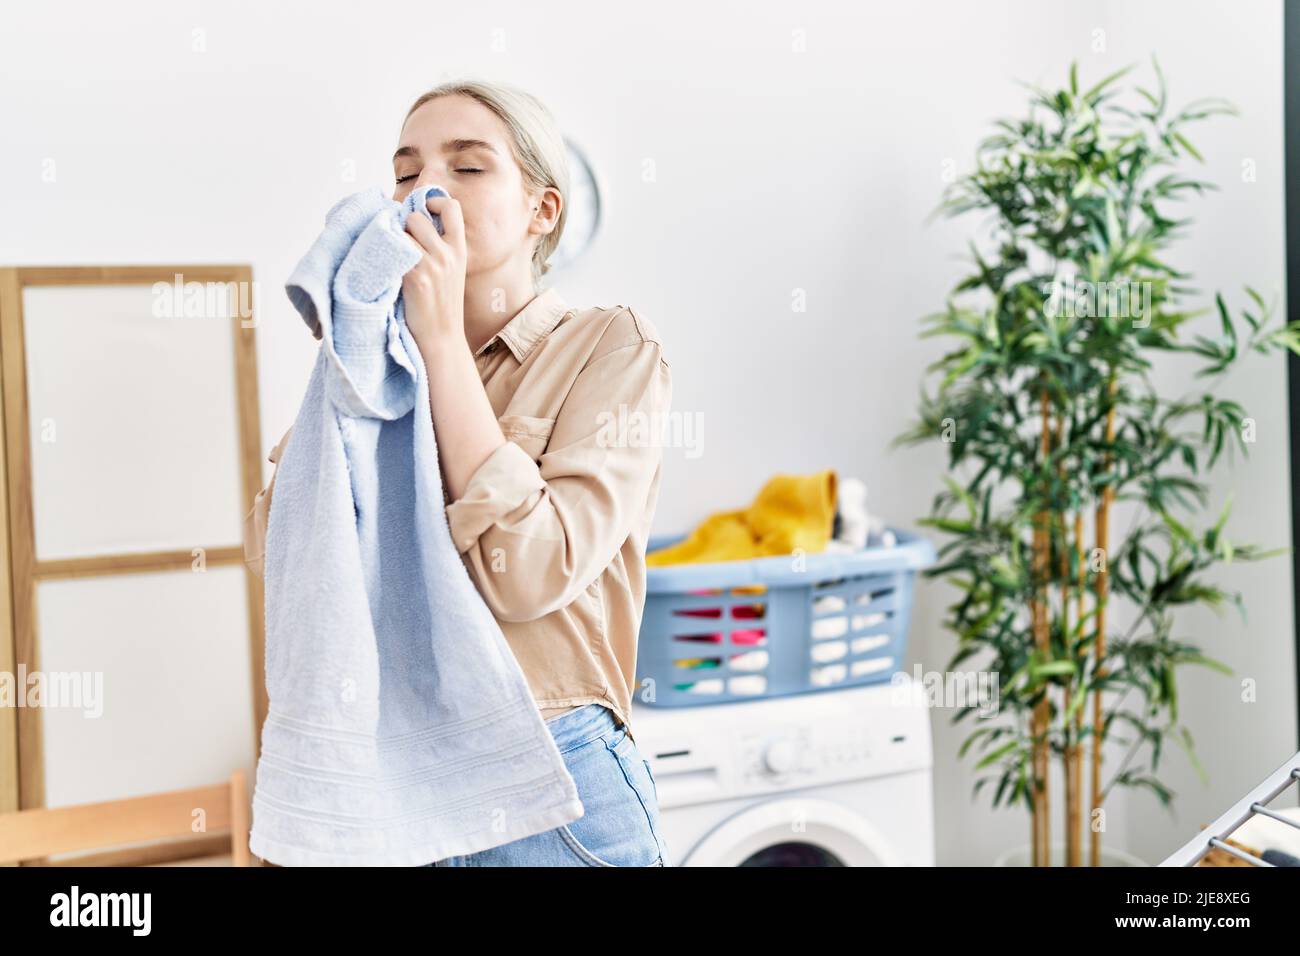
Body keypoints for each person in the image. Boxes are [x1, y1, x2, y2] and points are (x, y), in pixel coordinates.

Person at [244, 78, 673, 867]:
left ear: (542, 211)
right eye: (405, 172)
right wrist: (358, 356)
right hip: (393, 788)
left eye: (469, 167)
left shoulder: (610, 348)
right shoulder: (375, 365)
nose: (427, 188)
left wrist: (442, 342)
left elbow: (530, 572)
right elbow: (296, 565)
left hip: (557, 786)